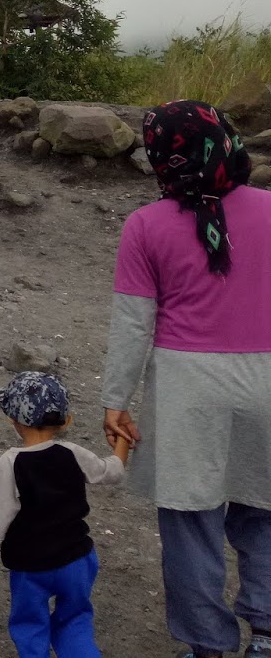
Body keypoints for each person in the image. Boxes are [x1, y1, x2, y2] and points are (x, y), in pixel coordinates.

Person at [102, 100, 271, 658]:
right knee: (265, 513)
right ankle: (267, 635)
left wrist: (115, 400)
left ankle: (206, 645)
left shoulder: (146, 226)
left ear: (161, 158)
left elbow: (134, 322)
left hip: (184, 391)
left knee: (190, 525)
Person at [0, 371, 130, 658]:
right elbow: (113, 470)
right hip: (77, 559)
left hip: (31, 565)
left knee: (30, 623)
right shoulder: (73, 452)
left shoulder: (11, 461)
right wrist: (122, 441)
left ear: (13, 420)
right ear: (66, 421)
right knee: (75, 618)